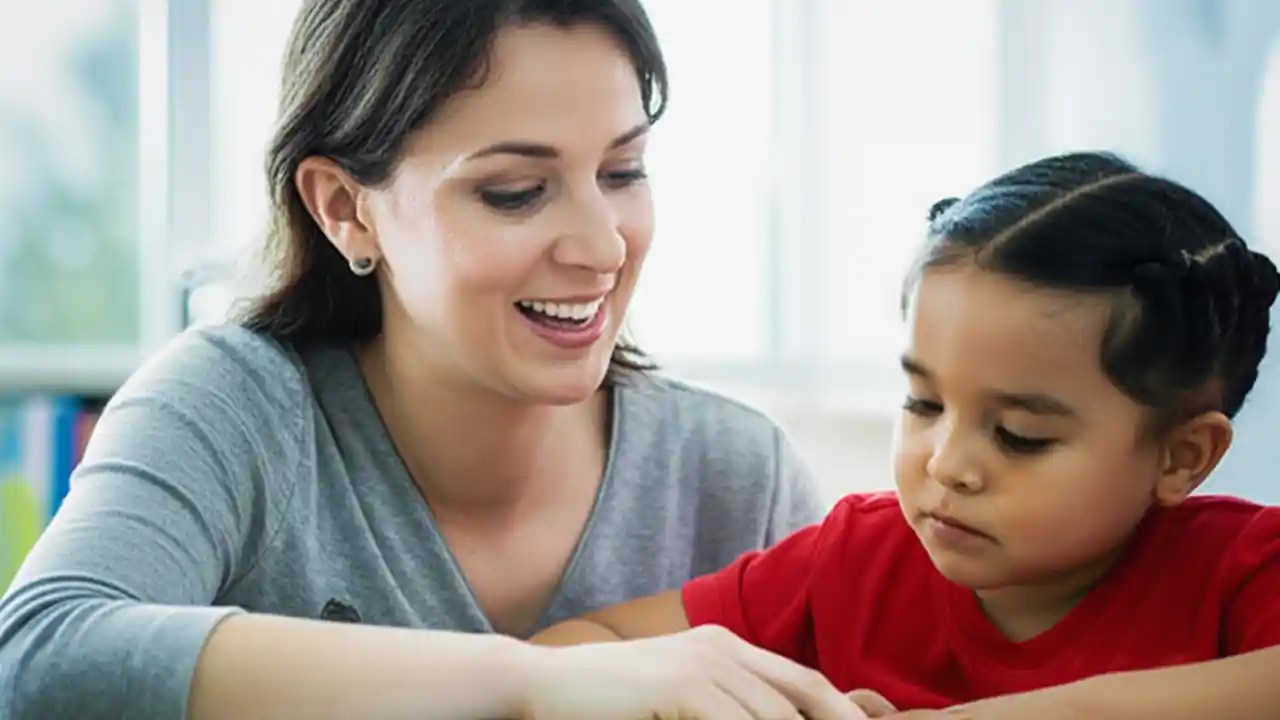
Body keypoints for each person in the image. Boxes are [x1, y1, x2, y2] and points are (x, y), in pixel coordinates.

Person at [0, 1, 844, 718]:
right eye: (515, 192)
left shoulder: (739, 477)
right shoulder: (237, 409)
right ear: (345, 209)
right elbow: (37, 660)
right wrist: (535, 683)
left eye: (623, 172)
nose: (602, 247)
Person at [532, 151, 1280, 718]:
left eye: (1018, 436)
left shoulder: (1242, 571)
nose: (947, 464)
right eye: (924, 403)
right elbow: (573, 652)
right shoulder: (854, 563)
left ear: (1181, 457)